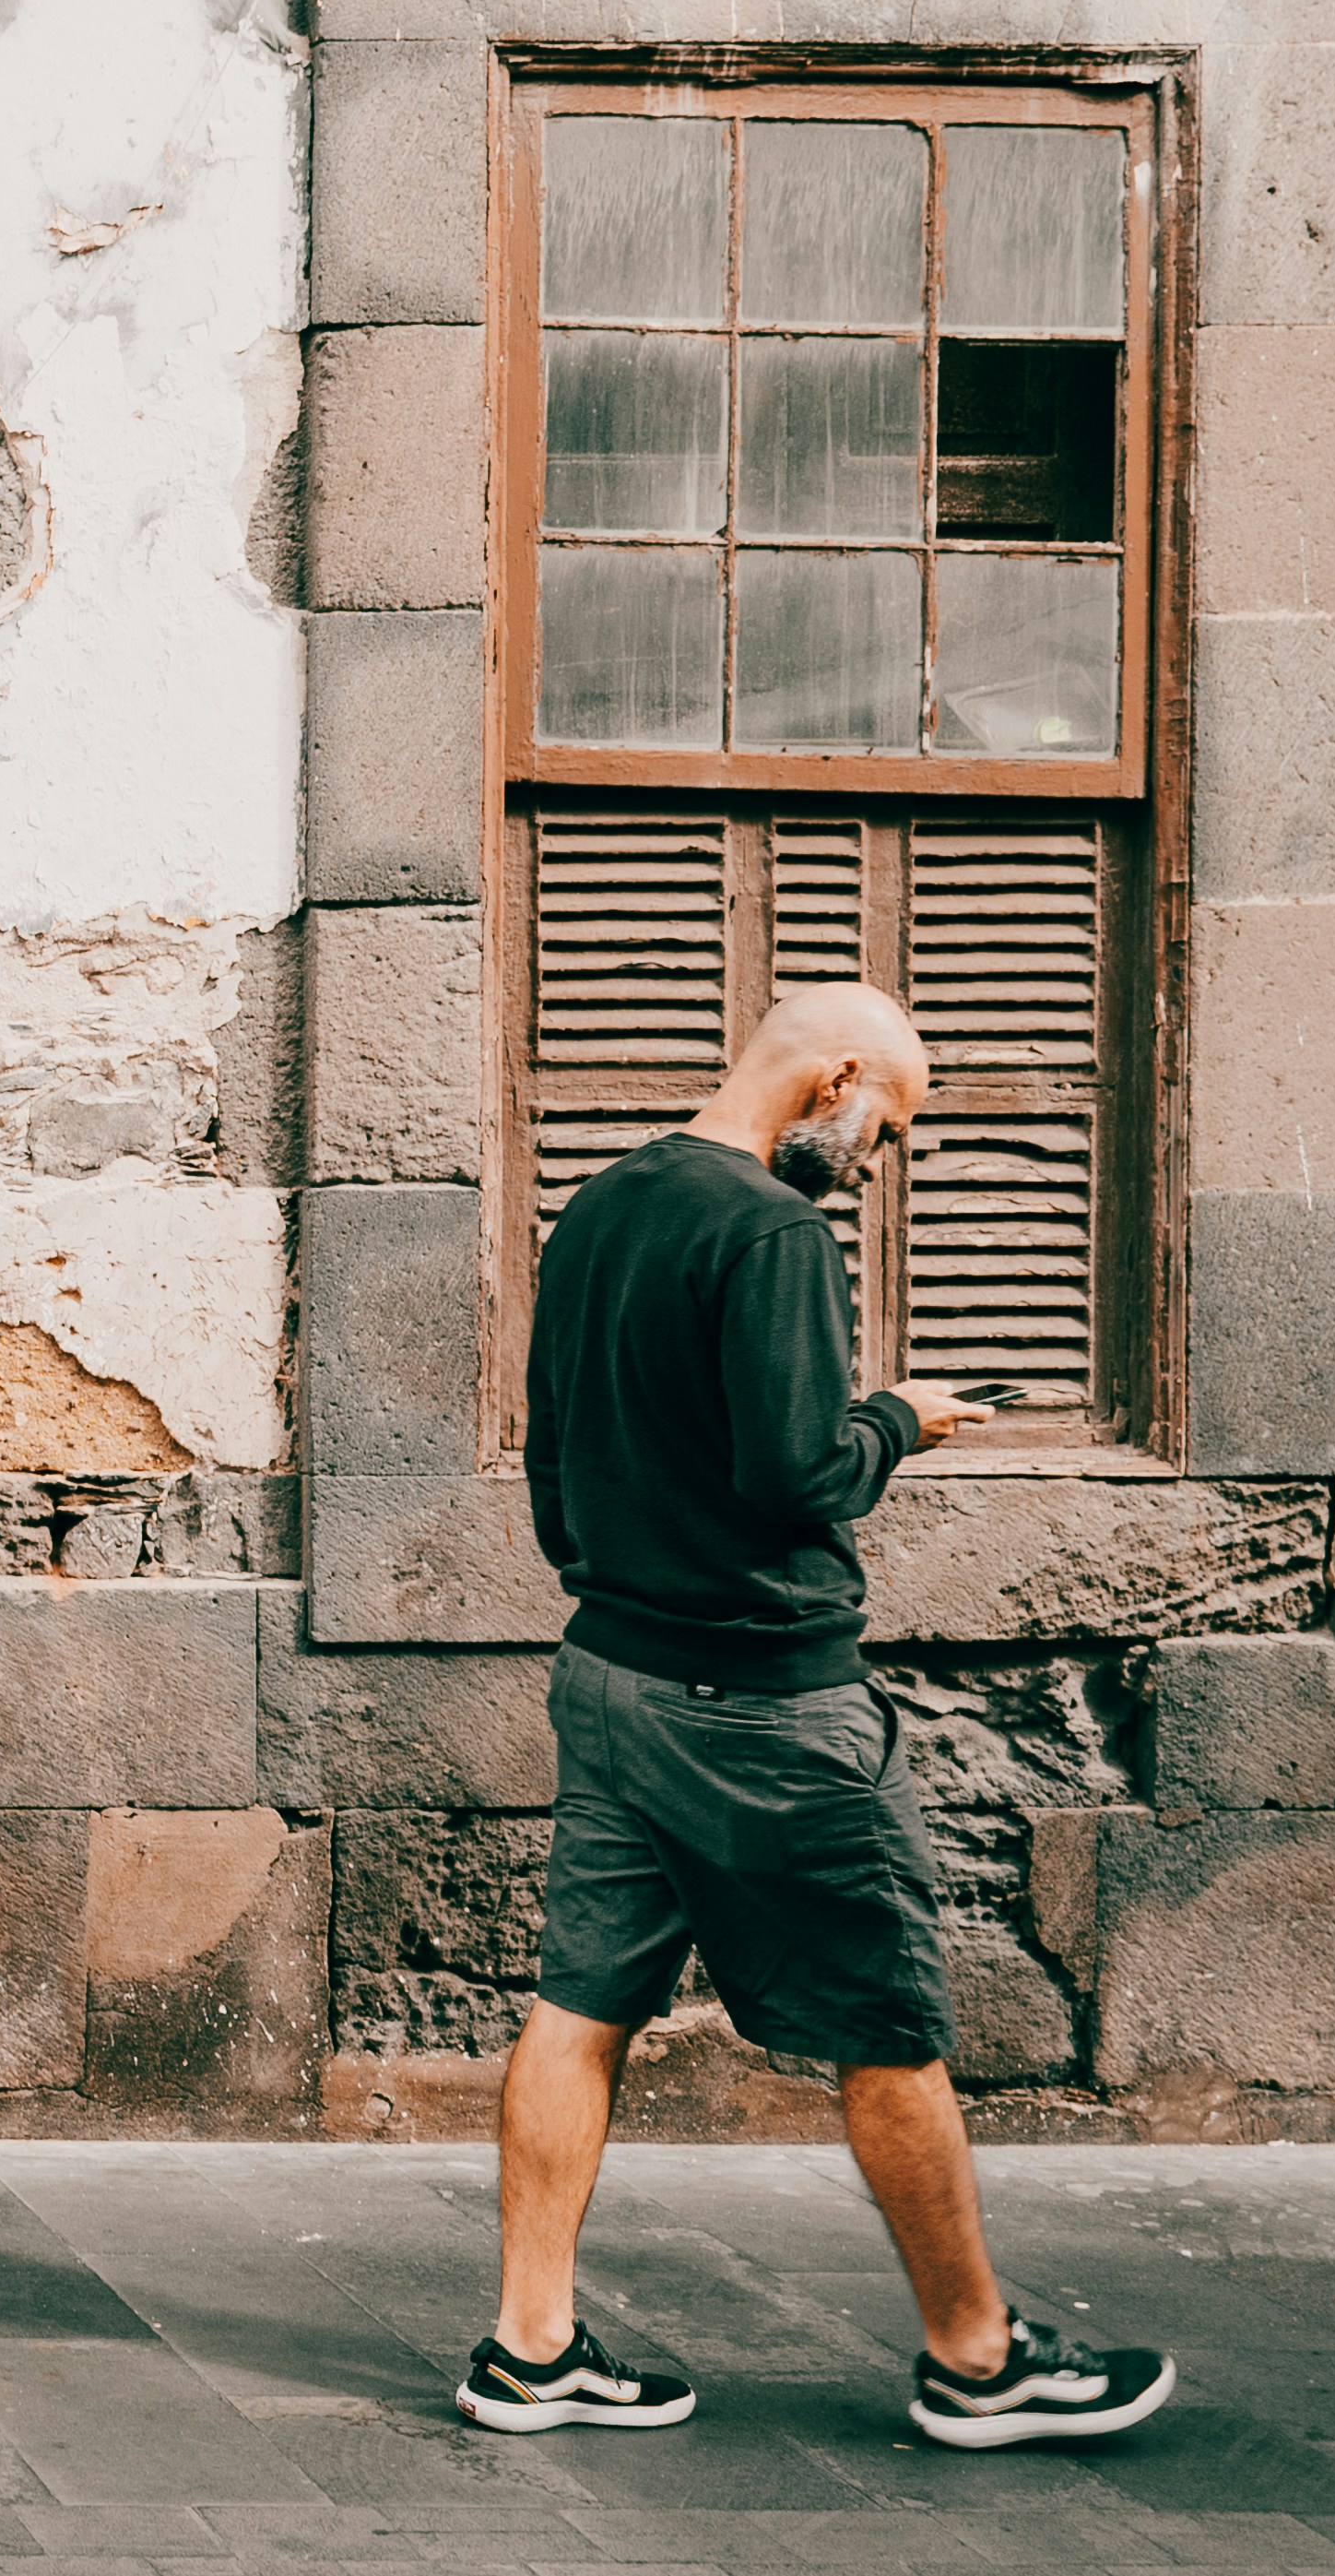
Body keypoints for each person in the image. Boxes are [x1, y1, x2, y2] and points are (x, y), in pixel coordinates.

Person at [455, 983, 1176, 2454]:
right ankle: (977, 2360)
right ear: (833, 1074)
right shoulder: (773, 1232)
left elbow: (557, 1464)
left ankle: (528, 2346)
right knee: (886, 2021)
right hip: (762, 1704)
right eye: (888, 1124)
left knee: (579, 2006)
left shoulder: (596, 1209)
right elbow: (795, 1476)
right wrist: (898, 1417)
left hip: (607, 1674)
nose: (878, 1156)